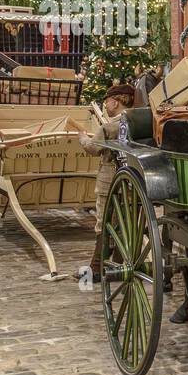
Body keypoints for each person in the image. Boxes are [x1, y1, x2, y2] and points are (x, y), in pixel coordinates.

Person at [79, 83, 135, 281]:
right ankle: (120, 264)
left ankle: (96, 268)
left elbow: (93, 148)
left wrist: (82, 137)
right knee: (123, 224)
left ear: (115, 101)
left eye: (107, 102)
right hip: (132, 180)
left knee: (103, 223)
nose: (106, 106)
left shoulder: (109, 127)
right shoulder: (136, 120)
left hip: (109, 180)